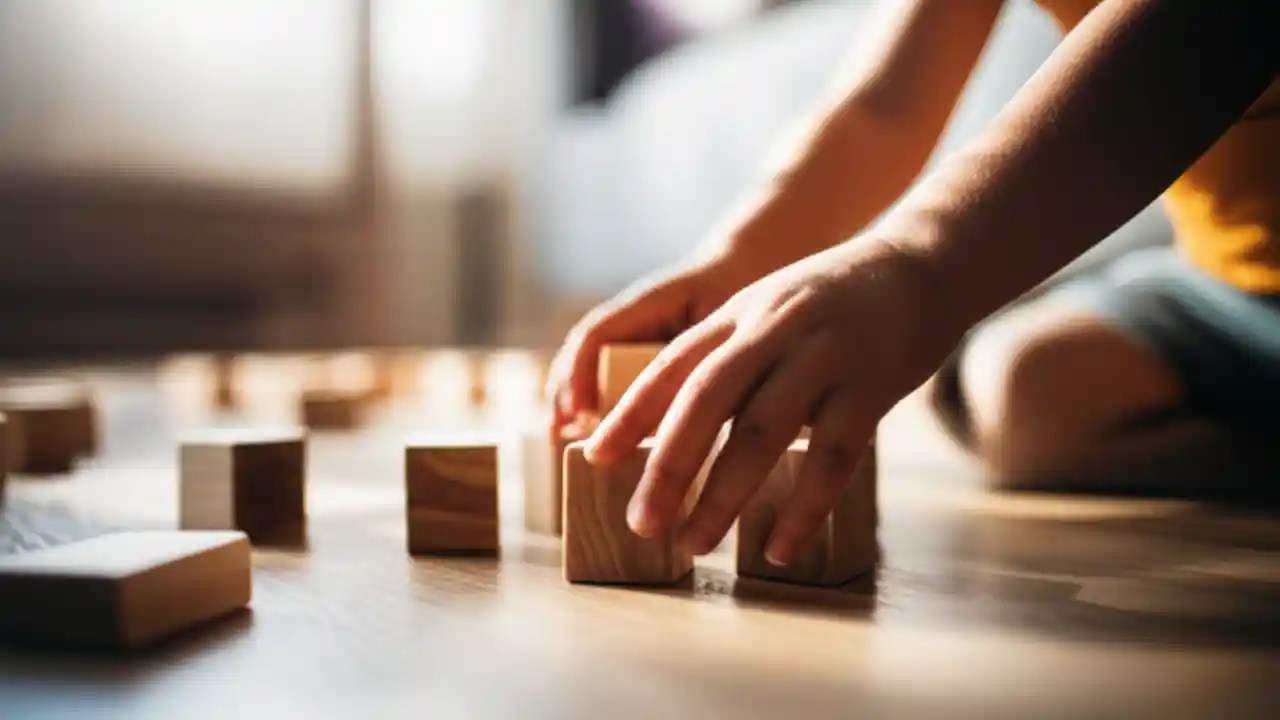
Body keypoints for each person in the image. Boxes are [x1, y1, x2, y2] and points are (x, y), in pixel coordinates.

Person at [545, 0, 1279, 568]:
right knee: (1022, 387)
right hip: (1221, 287)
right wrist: (738, 260)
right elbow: (883, 107)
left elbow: (1203, 31)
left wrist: (919, 264)